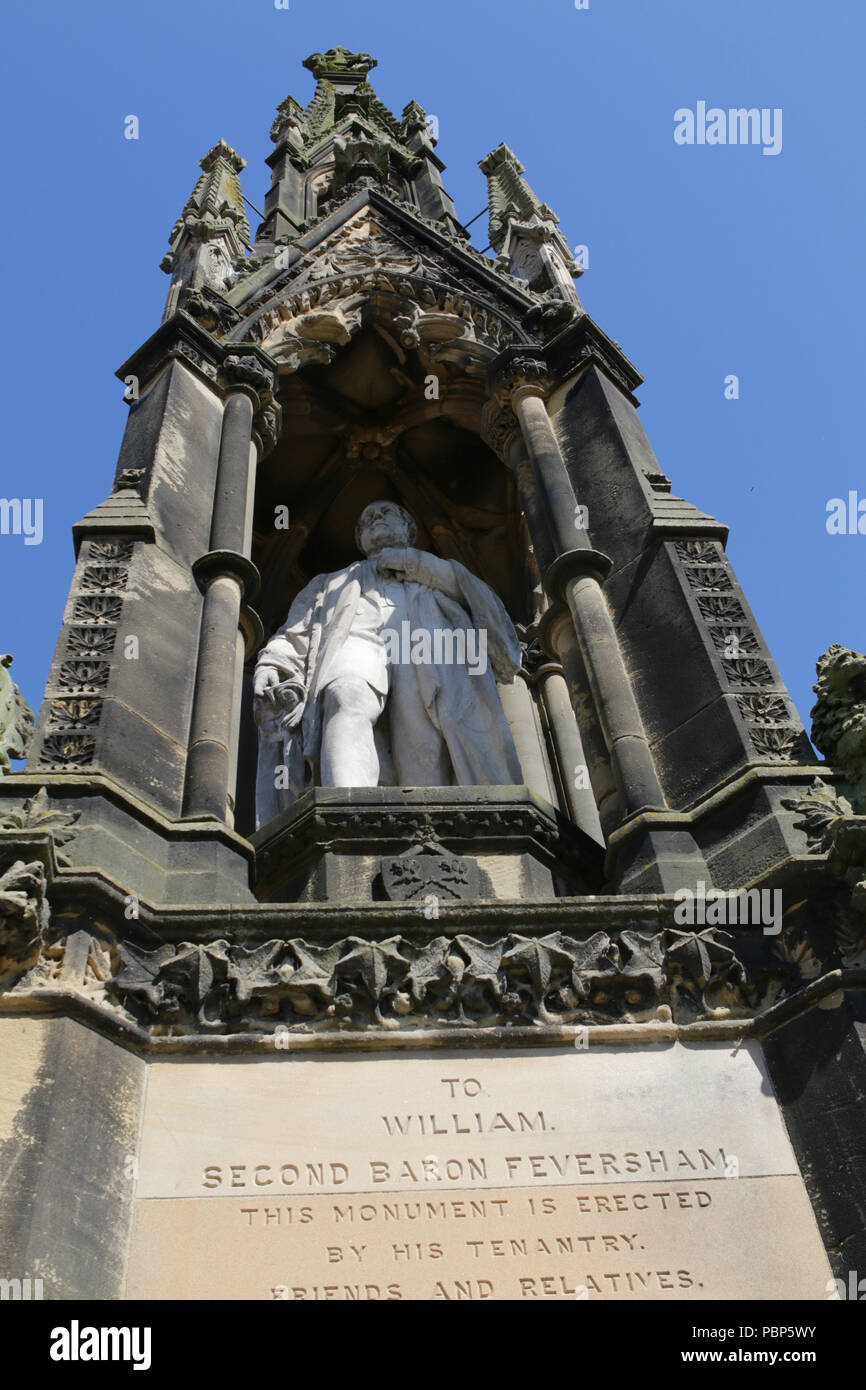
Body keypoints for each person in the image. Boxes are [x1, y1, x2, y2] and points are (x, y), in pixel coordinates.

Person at [253, 500, 523, 825]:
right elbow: (297, 632)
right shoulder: (331, 582)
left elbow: (484, 606)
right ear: (360, 539)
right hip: (355, 641)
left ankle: (432, 836)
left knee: (423, 744)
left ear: (410, 529)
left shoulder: (438, 573)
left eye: (386, 513)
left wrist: (417, 564)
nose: (376, 518)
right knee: (344, 694)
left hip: (423, 649)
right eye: (367, 518)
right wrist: (272, 661)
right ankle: (348, 817)